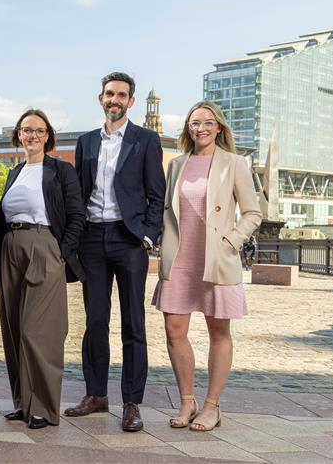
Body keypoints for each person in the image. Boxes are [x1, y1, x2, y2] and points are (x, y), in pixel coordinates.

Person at [65, 72, 165, 432]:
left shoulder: (146, 140)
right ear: (101, 98)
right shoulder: (86, 142)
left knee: (133, 324)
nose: (115, 99)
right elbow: (77, 192)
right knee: (94, 322)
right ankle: (96, 394)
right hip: (92, 238)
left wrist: (148, 236)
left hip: (128, 239)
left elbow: (157, 194)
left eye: (122, 95)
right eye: (110, 94)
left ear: (131, 101)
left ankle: (132, 402)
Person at [152, 101, 261, 431]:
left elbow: (253, 213)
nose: (200, 128)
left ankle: (212, 405)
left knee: (219, 332)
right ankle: (188, 401)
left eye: (206, 122)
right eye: (194, 123)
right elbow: (167, 212)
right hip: (180, 258)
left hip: (216, 257)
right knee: (174, 332)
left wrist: (231, 241)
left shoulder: (234, 163)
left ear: (218, 127)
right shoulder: (177, 164)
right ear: (188, 128)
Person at [0, 108, 85, 429]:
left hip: (45, 246)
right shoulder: (15, 172)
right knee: (14, 329)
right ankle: (23, 403)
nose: (32, 136)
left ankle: (43, 407)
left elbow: (76, 215)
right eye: (26, 130)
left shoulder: (60, 170)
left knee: (38, 331)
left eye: (39, 131)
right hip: (11, 248)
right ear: (18, 134)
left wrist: (60, 252)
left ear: (48, 136)